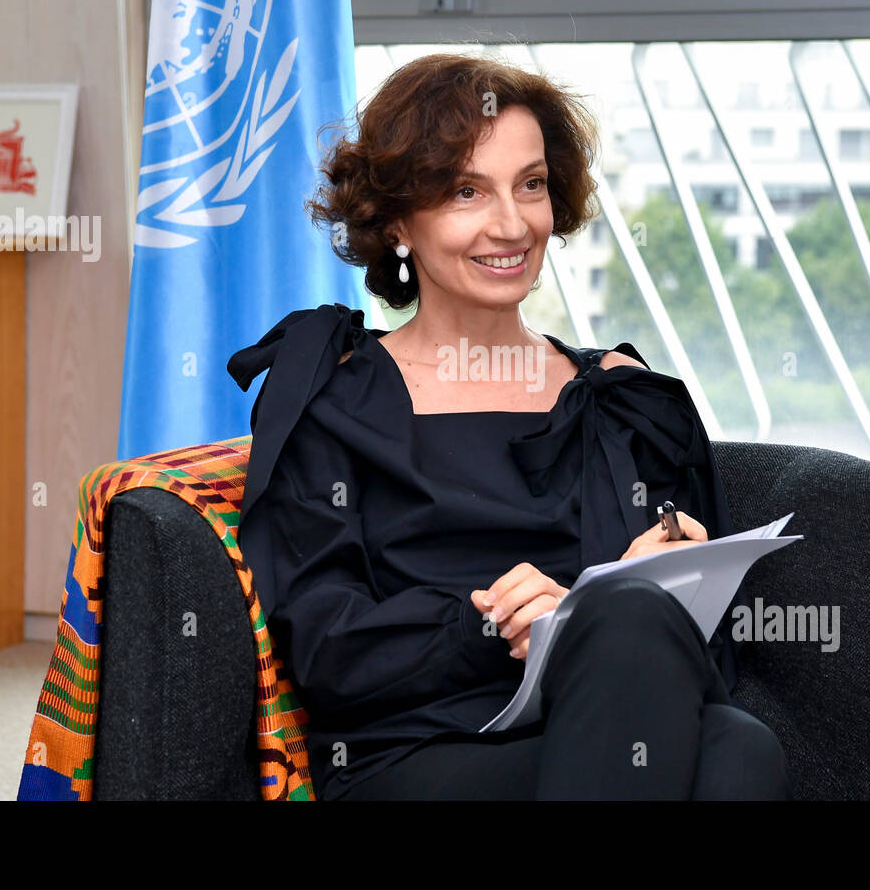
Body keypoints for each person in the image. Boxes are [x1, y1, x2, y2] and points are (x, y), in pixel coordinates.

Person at [226, 53, 791, 801]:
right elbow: (328, 651)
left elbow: (710, 659)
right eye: (466, 191)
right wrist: (489, 627)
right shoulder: (335, 399)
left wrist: (674, 572)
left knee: (733, 740)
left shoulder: (624, 398)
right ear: (397, 220)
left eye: (530, 185)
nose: (511, 223)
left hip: (609, 718)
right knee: (731, 751)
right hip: (418, 752)